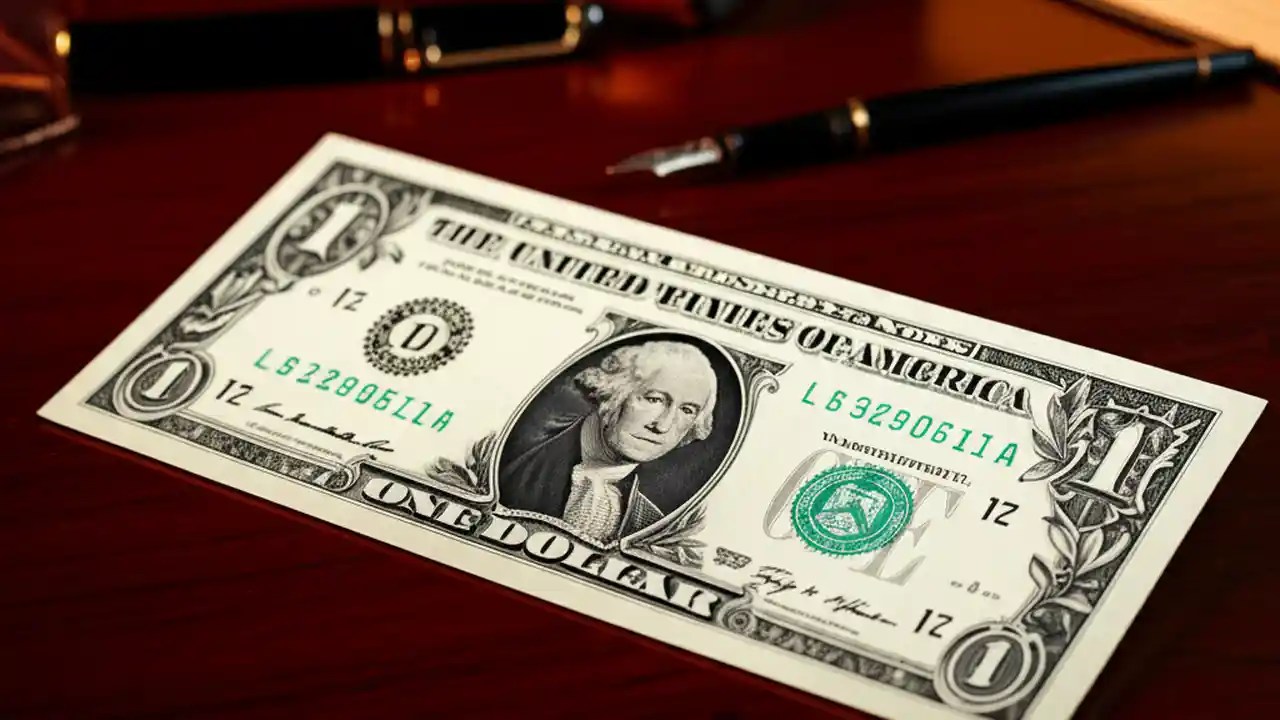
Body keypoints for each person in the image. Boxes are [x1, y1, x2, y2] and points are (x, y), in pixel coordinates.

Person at [499, 340, 718, 546]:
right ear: (614, 393)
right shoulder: (516, 468)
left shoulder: (651, 522)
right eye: (654, 399)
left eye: (687, 410)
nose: (662, 426)